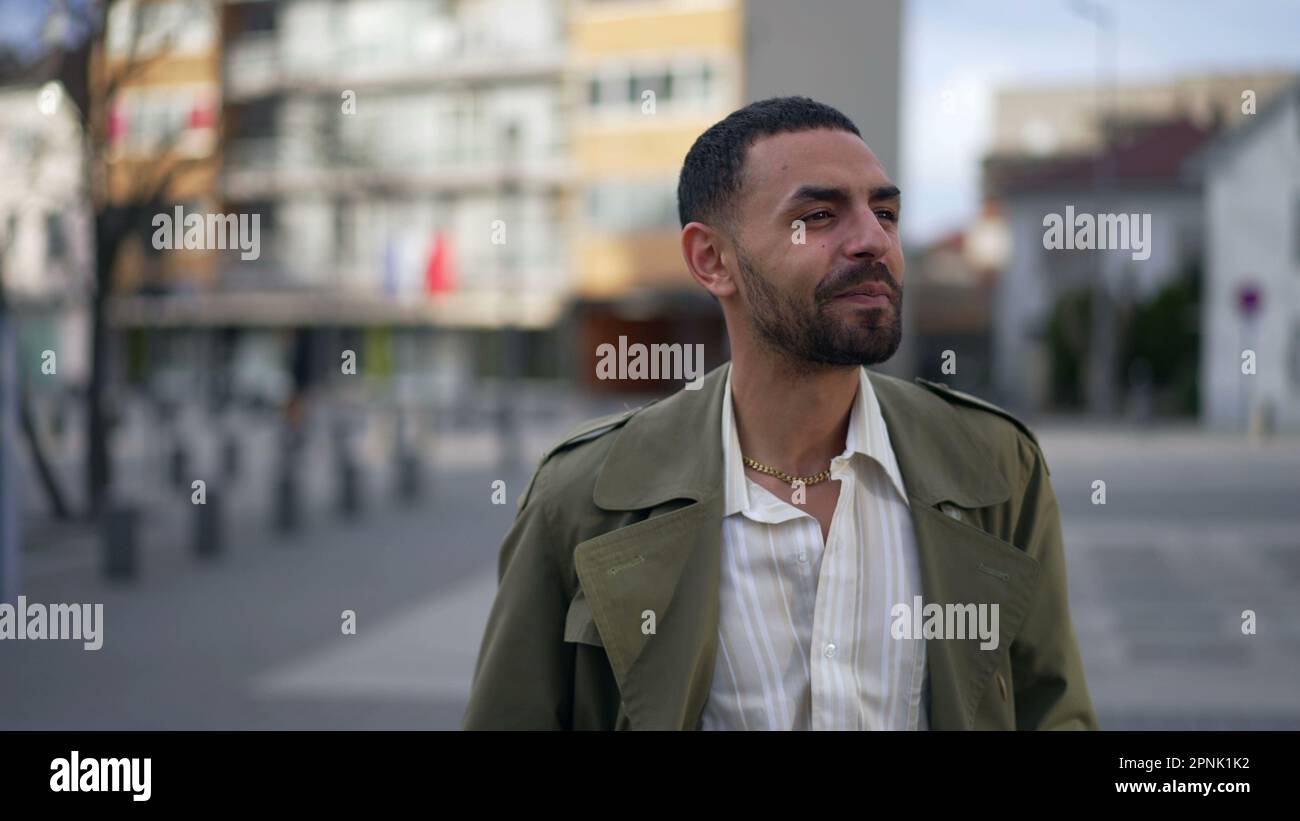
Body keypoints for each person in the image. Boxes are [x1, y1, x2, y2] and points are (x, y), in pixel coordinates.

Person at [464, 96, 1097, 730]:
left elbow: (1055, 714)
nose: (873, 240)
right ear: (712, 260)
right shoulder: (584, 498)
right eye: (819, 216)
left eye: (886, 212)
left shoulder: (996, 466)